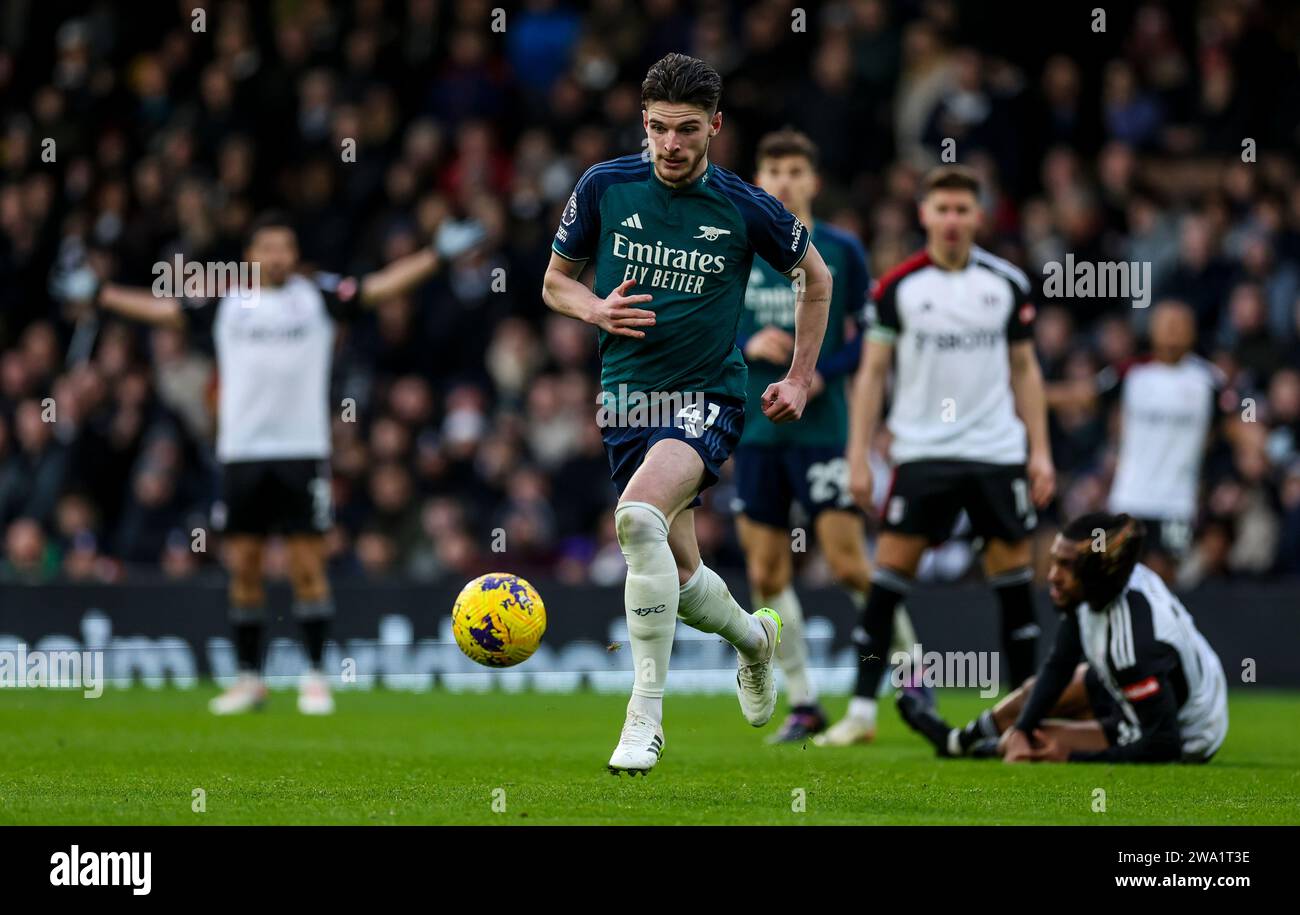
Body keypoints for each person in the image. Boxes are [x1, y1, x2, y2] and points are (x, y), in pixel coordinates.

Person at [541, 53, 834, 774]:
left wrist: (799, 376)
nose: (672, 145)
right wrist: (596, 306)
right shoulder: (605, 186)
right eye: (660, 129)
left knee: (637, 519)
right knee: (677, 567)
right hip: (628, 401)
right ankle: (756, 641)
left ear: (716, 127)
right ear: (643, 122)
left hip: (707, 398)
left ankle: (644, 717)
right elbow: (554, 282)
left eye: (688, 130)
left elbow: (816, 278)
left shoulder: (743, 205)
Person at [85, 210, 479, 715]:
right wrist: (101, 294)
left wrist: (437, 255)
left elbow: (378, 288)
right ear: (251, 255)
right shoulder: (227, 304)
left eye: (285, 247)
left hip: (302, 454)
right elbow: (164, 311)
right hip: (242, 455)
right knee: (244, 568)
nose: (277, 256)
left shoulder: (315, 299)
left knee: (307, 565)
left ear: (294, 254)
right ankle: (251, 680)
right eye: (267, 247)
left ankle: (315, 678)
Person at [823, 165, 1056, 746]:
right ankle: (860, 712)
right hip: (923, 451)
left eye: (962, 210)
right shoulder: (898, 288)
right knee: (887, 584)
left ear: (978, 216)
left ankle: (1026, 718)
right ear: (923, 214)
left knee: (1014, 586)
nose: (951, 220)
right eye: (941, 209)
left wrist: (1040, 451)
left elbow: (1026, 370)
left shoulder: (1006, 283)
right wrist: (858, 456)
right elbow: (872, 374)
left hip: (996, 451)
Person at [731, 128, 921, 743]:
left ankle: (910, 672)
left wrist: (809, 376)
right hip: (756, 430)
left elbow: (869, 337)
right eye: (773, 169)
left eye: (795, 170)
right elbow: (704, 326)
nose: (784, 180)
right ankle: (805, 701)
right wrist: (744, 344)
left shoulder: (840, 249)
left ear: (813, 181)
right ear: (760, 179)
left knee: (847, 565)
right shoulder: (737, 246)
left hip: (824, 430)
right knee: (765, 574)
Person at [898, 512, 1229, 763]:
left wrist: (1069, 756)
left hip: (1189, 734)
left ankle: (981, 748)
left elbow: (1165, 743)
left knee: (1046, 739)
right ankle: (956, 741)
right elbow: (1059, 665)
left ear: (1095, 573)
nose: (1052, 575)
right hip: (1145, 685)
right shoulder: (1098, 588)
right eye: (1054, 560)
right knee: (1035, 697)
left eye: (1065, 565)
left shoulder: (1135, 646)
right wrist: (1023, 728)